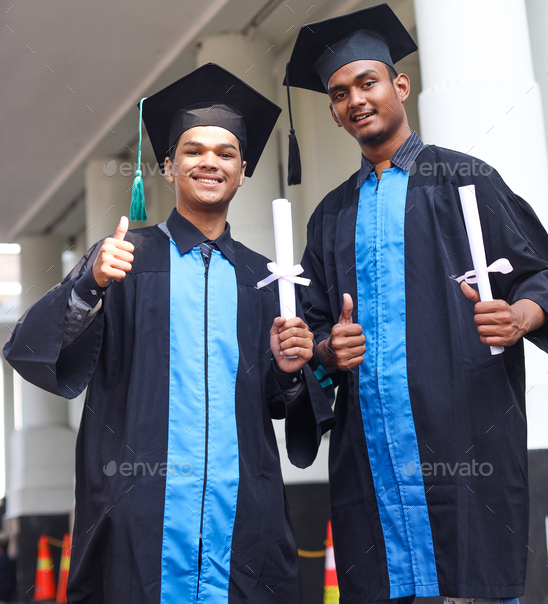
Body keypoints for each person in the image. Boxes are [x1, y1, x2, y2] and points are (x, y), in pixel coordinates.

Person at [285, 4, 548, 604]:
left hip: (465, 439)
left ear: (400, 85)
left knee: (470, 585)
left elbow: (546, 278)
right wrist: (326, 349)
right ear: (335, 114)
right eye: (340, 94)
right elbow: (311, 338)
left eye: (367, 83)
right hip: (369, 459)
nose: (356, 100)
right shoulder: (329, 218)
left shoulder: (468, 181)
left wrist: (518, 316)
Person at [4, 63, 333, 604]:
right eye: (193, 150)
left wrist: (293, 370)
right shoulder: (123, 261)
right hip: (138, 522)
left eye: (226, 153)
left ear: (244, 170)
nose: (210, 162)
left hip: (243, 524)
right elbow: (33, 351)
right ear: (167, 167)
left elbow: (280, 404)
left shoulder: (265, 278)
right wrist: (89, 285)